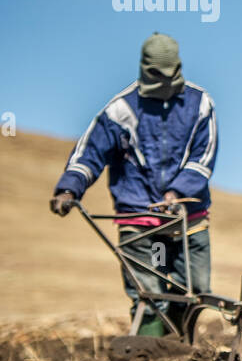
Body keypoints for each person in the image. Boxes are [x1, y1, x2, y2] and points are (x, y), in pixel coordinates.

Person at [50, 33, 218, 337]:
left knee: (195, 292)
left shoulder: (200, 104)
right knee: (152, 293)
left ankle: (180, 353)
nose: (165, 82)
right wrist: (69, 188)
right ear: (144, 69)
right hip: (144, 225)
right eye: (158, 75)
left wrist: (177, 193)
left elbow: (203, 158)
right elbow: (90, 153)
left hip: (186, 222)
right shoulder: (120, 111)